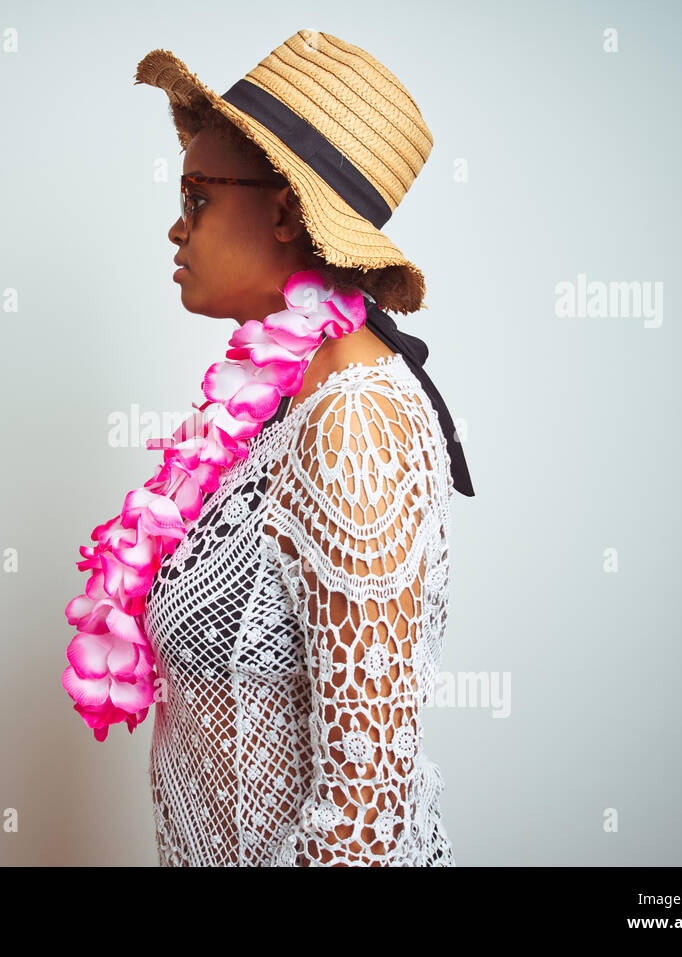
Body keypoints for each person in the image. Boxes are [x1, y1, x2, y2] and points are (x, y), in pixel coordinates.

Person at [134, 30, 475, 865]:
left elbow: (364, 821)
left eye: (199, 198)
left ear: (286, 210)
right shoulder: (286, 402)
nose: (175, 230)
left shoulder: (355, 421)